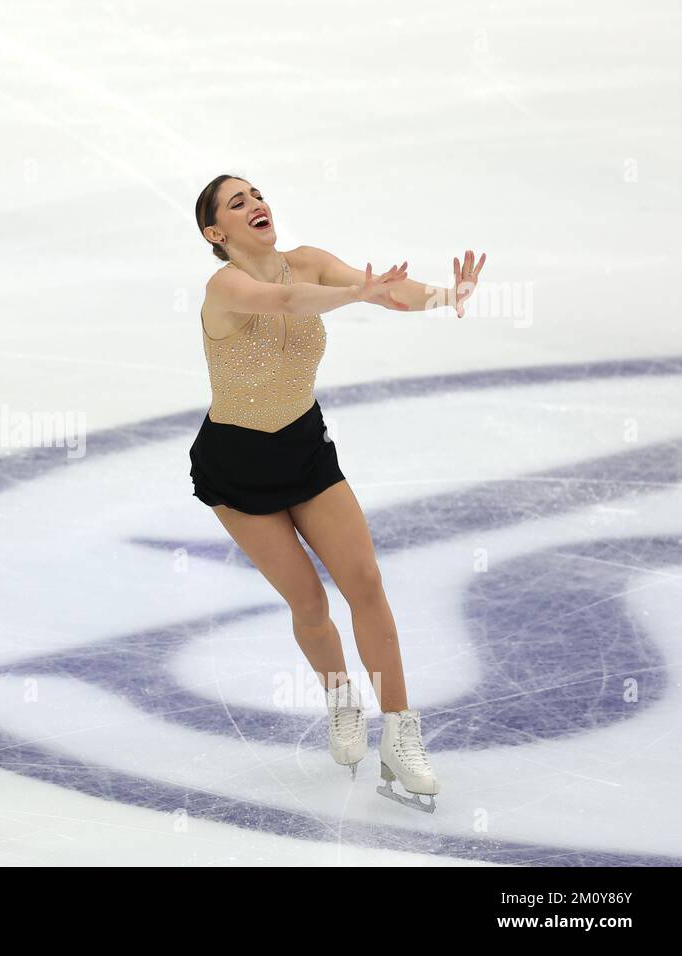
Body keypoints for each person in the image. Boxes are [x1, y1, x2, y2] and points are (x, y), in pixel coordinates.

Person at [190, 174, 486, 813]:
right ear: (216, 233)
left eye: (257, 195)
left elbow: (386, 292)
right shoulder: (225, 287)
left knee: (367, 585)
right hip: (237, 470)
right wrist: (355, 292)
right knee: (310, 602)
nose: (255, 205)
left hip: (304, 448)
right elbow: (287, 304)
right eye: (236, 203)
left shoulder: (312, 262)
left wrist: (442, 293)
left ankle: (400, 732)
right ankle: (341, 698)